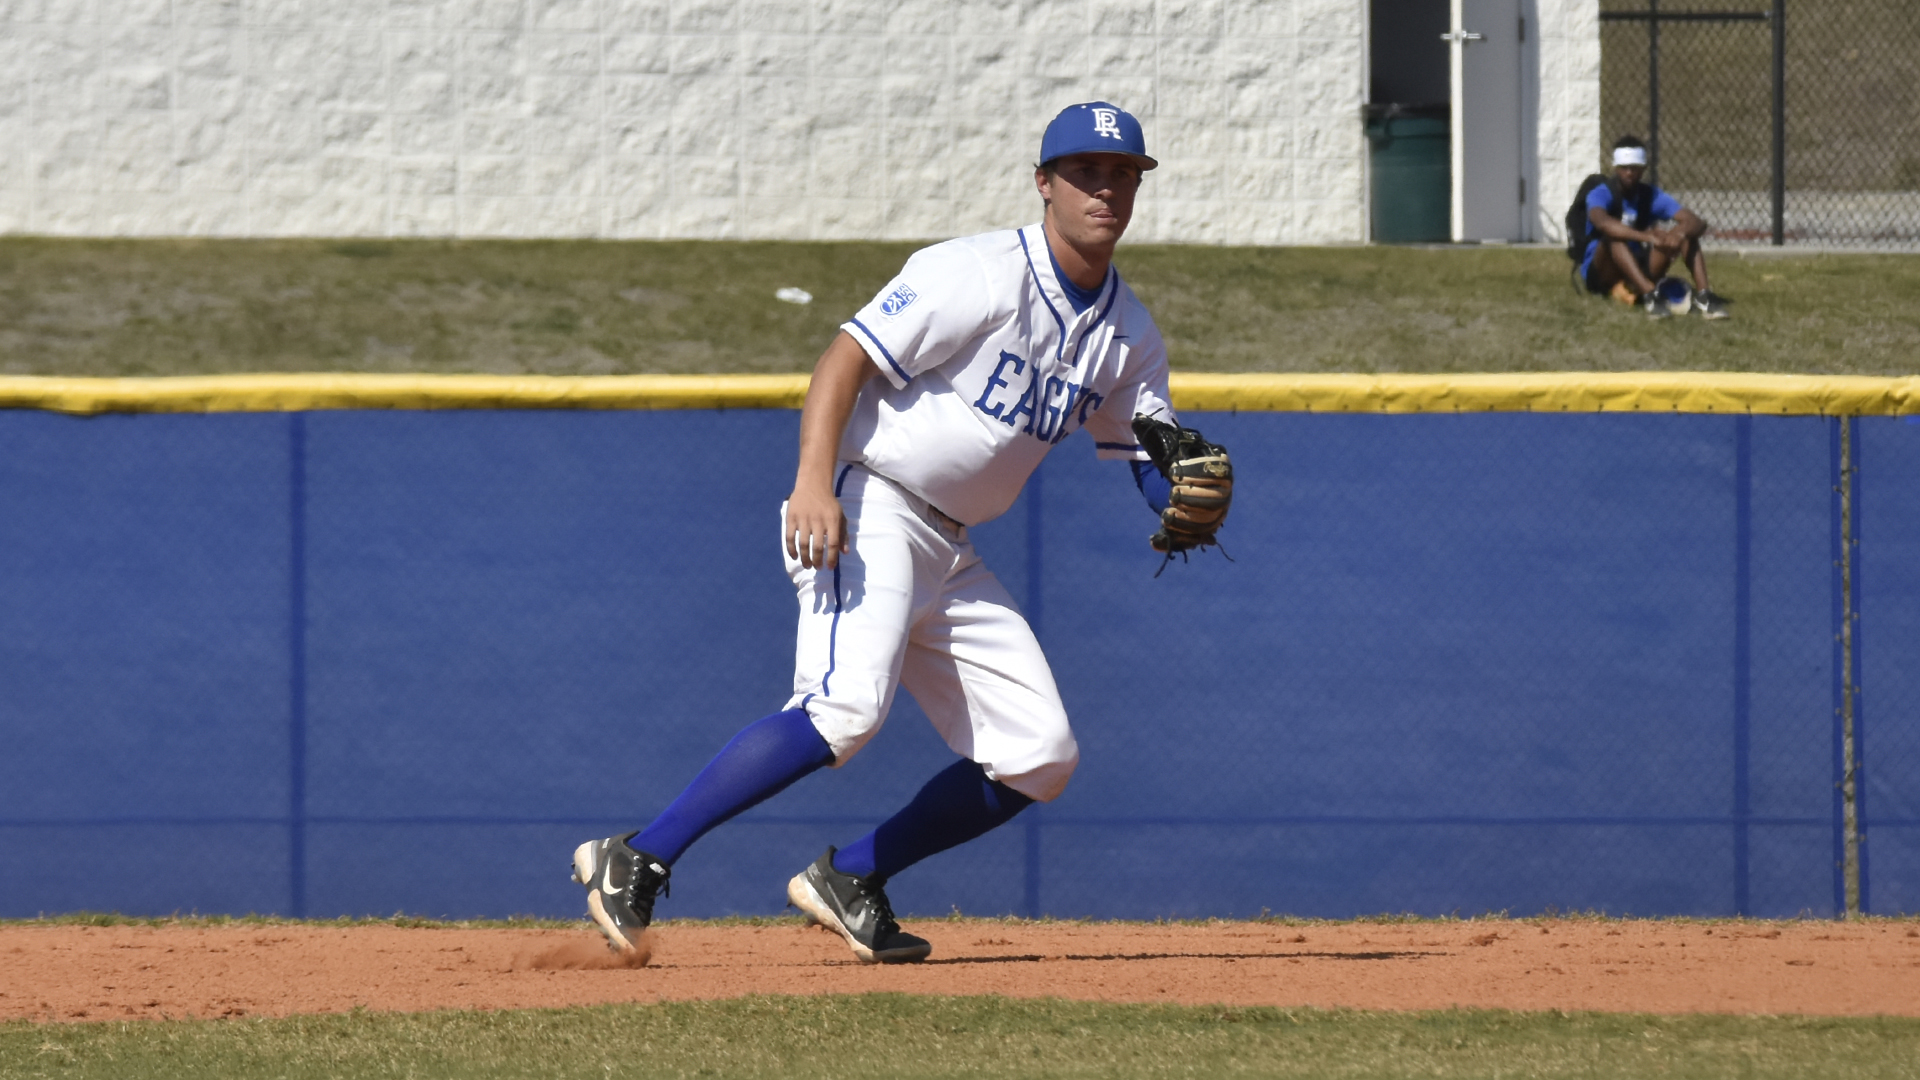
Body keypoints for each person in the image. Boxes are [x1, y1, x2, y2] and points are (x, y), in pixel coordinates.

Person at [570, 102, 1224, 964]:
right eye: (1084, 172)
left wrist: (1178, 497)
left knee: (1040, 754)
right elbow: (845, 358)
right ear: (1044, 184)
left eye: (1122, 174)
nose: (1105, 188)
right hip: (872, 500)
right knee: (841, 710)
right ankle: (639, 856)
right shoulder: (978, 273)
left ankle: (853, 879)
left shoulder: (1129, 335)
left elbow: (1147, 453)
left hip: (950, 549)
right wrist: (814, 482)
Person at [1578, 135, 1730, 320]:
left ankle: (1705, 296)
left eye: (1634, 168)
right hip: (1602, 270)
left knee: (1688, 234)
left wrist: (1678, 234)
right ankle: (1651, 296)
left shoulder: (1649, 195)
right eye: (1624, 168)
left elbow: (1696, 222)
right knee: (1613, 237)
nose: (1629, 173)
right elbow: (1603, 223)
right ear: (1615, 168)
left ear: (1643, 169)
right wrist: (1647, 237)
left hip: (1636, 265)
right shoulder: (1601, 193)